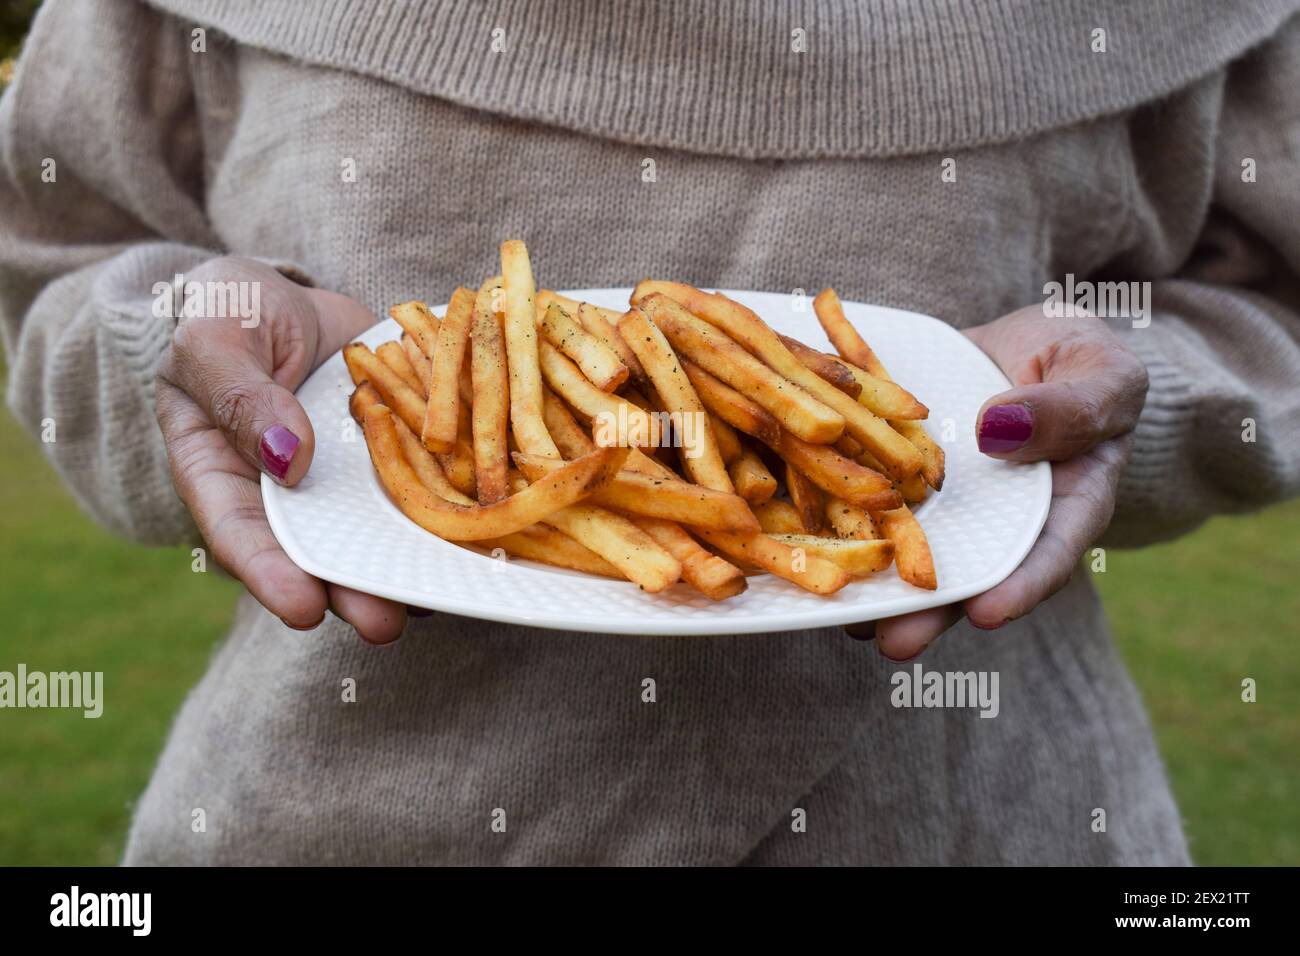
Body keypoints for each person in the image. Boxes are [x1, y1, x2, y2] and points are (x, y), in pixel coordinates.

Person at [2, 0, 1297, 865]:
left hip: (994, 820)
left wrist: (1131, 395)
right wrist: (176, 350)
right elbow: (48, 259)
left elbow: (1273, 303)